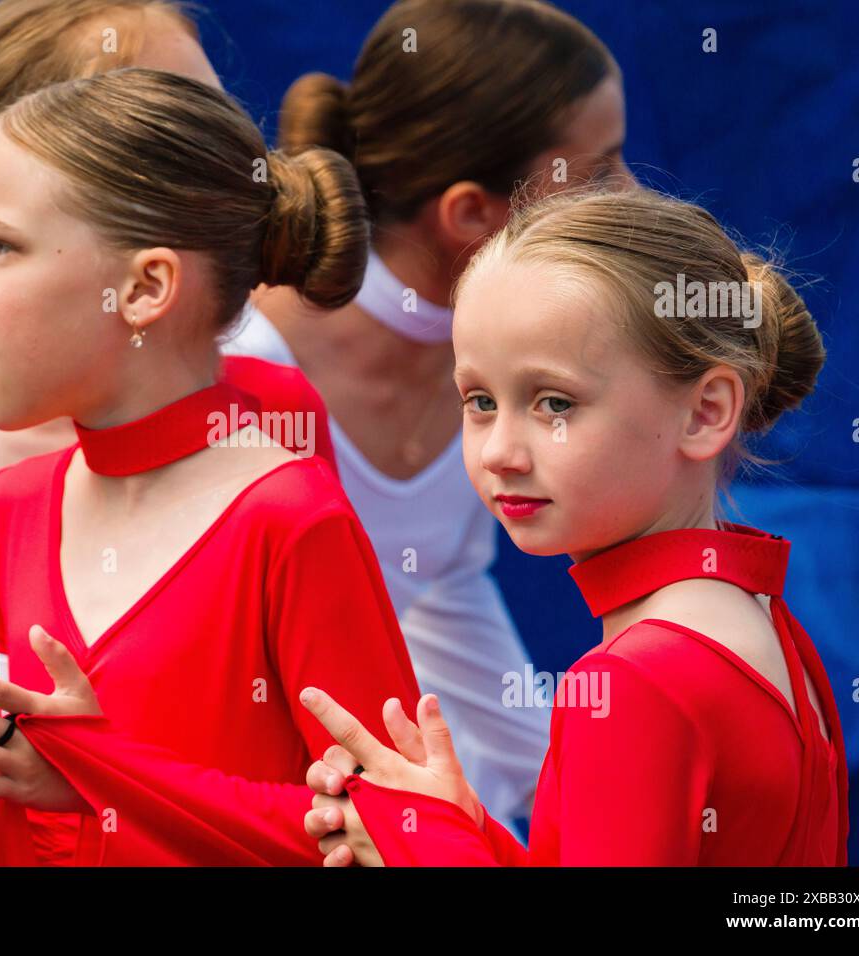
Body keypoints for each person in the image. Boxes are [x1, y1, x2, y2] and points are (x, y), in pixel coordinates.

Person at [0, 0, 334, 866]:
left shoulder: (279, 426)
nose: (234, 154)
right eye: (168, 111)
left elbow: (356, 797)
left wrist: (88, 777)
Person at [300, 186, 847, 866]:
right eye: (479, 400)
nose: (500, 449)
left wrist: (424, 852)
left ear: (705, 412)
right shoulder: (761, 622)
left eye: (554, 402)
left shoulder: (634, 685)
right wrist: (451, 822)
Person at [222, 0, 632, 830]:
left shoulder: (492, 383)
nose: (630, 198)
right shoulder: (232, 377)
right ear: (471, 215)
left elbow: (441, 590)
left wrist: (572, 812)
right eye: (598, 176)